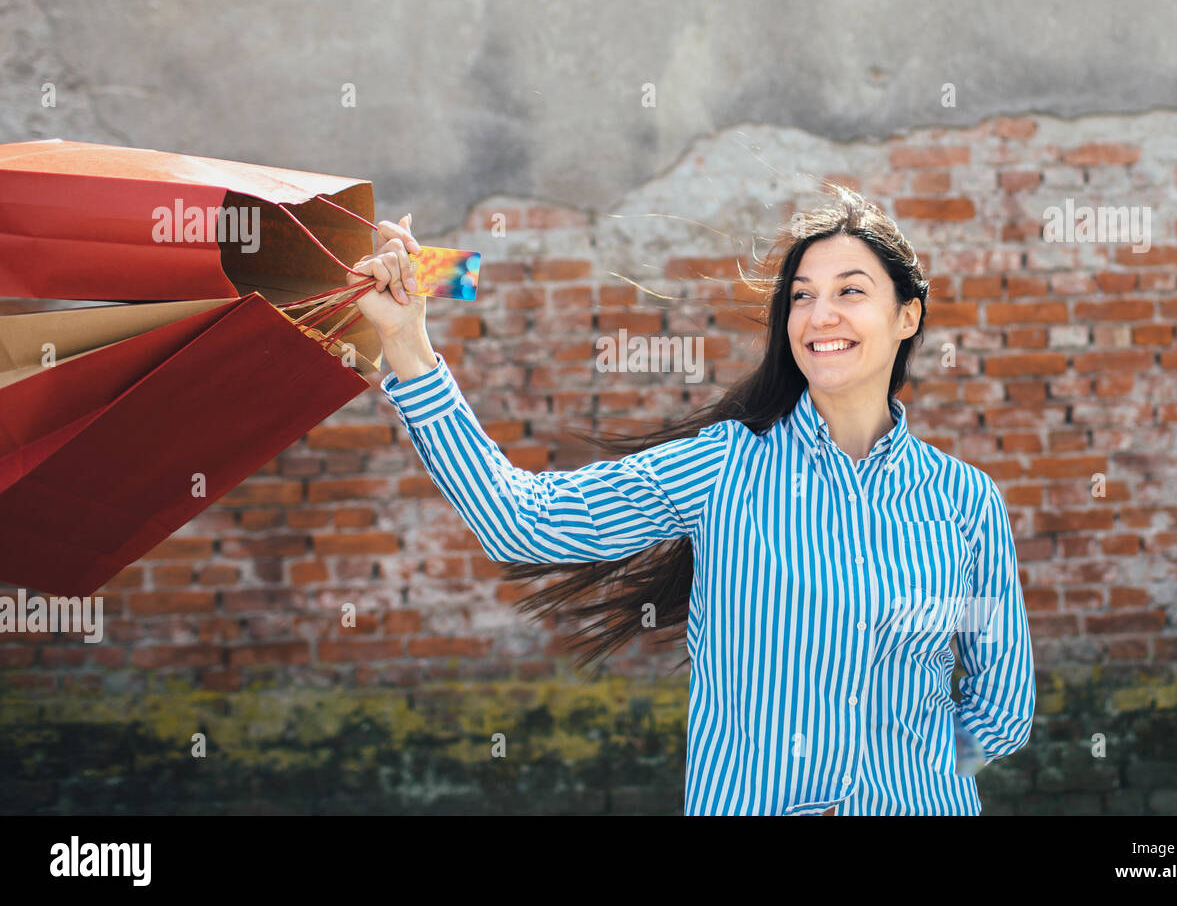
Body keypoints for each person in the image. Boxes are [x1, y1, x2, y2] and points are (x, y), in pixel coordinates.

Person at [349, 186, 1036, 815]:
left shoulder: (964, 501)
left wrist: (905, 785)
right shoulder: (724, 468)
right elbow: (523, 523)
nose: (820, 315)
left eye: (850, 291)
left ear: (907, 315)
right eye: (801, 296)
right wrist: (408, 344)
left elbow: (1002, 711)